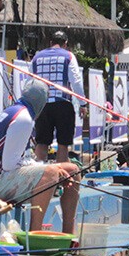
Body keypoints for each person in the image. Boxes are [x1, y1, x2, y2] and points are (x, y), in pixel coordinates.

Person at [0, 81, 80, 233]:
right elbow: (10, 165)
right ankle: (35, 232)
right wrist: (51, 169)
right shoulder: (23, 118)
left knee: (73, 170)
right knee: (51, 173)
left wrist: (52, 167)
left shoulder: (16, 111)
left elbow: (17, 160)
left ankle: (69, 234)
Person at [30, 31, 85, 163]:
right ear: (65, 44)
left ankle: (39, 177)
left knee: (42, 142)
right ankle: (61, 178)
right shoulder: (69, 56)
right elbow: (76, 82)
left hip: (42, 105)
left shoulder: (37, 57)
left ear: (50, 43)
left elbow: (31, 82)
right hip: (63, 103)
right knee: (63, 143)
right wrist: (83, 104)